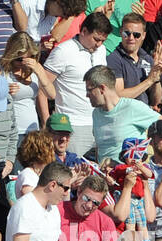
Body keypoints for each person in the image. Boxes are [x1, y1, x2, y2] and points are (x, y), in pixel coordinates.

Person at [42, 12, 111, 157]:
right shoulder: (63, 51)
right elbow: (42, 88)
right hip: (73, 126)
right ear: (84, 31)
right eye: (96, 39)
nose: (99, 44)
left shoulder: (101, 50)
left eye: (102, 41)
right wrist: (46, 123)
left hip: (100, 123)